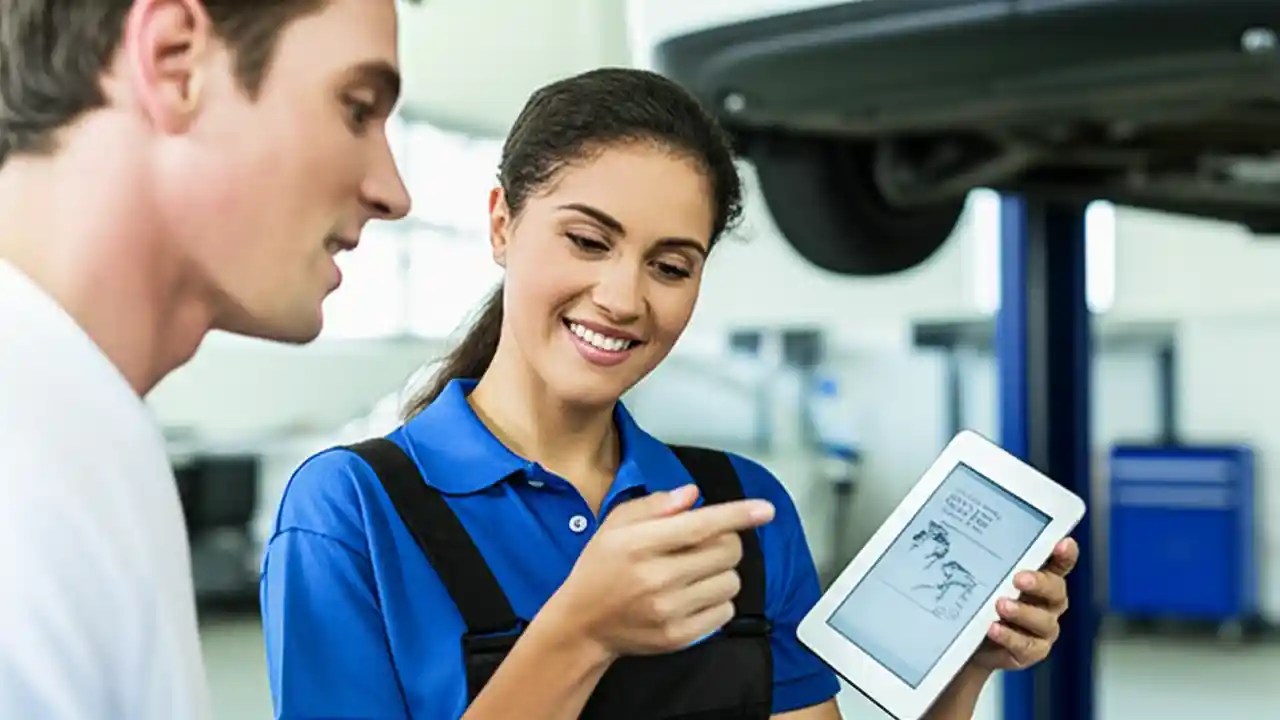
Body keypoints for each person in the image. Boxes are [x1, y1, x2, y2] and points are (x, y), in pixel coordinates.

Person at [260, 67, 1079, 720]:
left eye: (671, 265)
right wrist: (582, 632)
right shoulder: (350, 513)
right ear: (502, 224)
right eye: (587, 240)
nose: (623, 297)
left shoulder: (740, 511)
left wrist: (959, 672)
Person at [0, 1, 414, 718]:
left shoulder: (81, 431)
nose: (392, 192)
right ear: (175, 61)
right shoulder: (26, 458)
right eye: (356, 109)